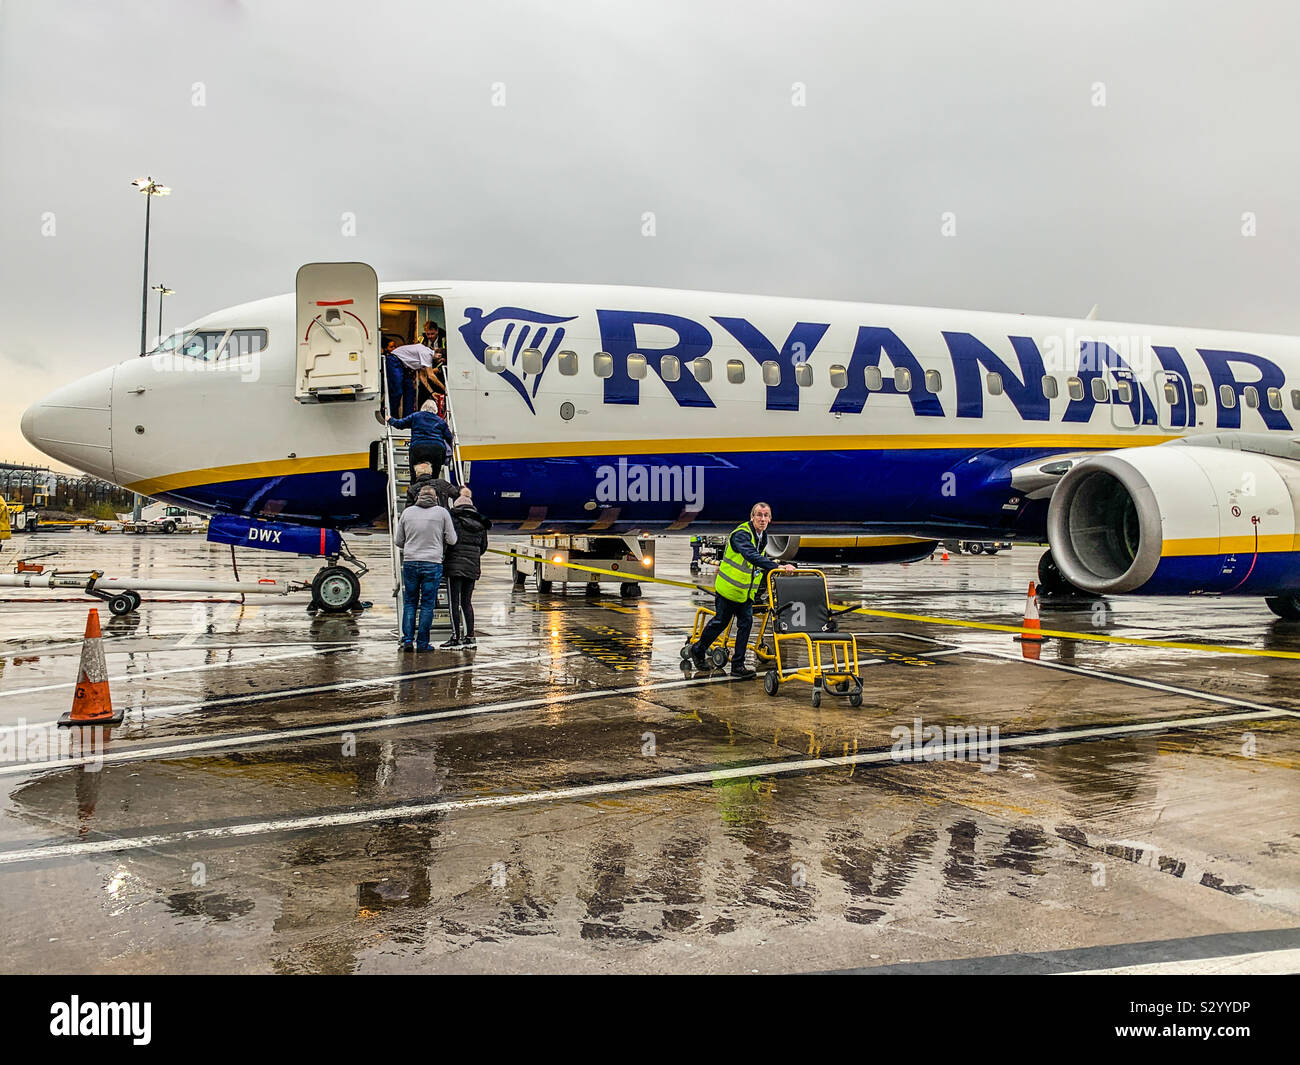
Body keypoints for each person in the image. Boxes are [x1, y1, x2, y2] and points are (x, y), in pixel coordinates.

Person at [687, 502, 794, 679]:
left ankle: (738, 665)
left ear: (770, 519)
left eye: (766, 515)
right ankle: (698, 650)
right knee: (721, 622)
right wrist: (776, 567)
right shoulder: (741, 534)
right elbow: (751, 556)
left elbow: (760, 559)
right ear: (752, 517)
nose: (762, 519)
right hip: (729, 589)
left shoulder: (762, 536)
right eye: (759, 515)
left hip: (744, 593)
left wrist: (780, 566)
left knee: (746, 624)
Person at [393, 484, 458, 652]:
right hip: (432, 563)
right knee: (428, 604)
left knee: (410, 602)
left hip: (411, 561)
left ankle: (407, 640)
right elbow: (452, 540)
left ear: (418, 497)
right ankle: (422, 644)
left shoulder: (407, 513)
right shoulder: (442, 513)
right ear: (435, 498)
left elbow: (398, 541)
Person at [440, 490, 491, 650]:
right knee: (467, 602)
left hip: (454, 566)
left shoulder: (453, 520)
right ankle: (470, 636)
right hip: (472, 567)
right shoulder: (480, 523)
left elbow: (448, 541)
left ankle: (456, 637)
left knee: (453, 603)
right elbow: (483, 547)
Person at [389, 399, 455, 475]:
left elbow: (400, 424)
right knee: (435, 475)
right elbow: (449, 437)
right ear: (435, 409)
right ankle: (433, 485)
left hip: (418, 447)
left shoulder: (415, 416)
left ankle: (414, 484)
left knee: (414, 474)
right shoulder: (441, 421)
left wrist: (390, 419)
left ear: (422, 407)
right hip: (436, 448)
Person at [386, 340, 437, 418]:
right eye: (441, 360)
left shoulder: (424, 353)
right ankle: (392, 417)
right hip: (395, 360)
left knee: (410, 390)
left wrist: (432, 392)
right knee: (397, 391)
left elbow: (422, 377)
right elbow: (430, 375)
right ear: (439, 355)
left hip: (405, 366)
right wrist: (445, 389)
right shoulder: (427, 354)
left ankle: (408, 419)